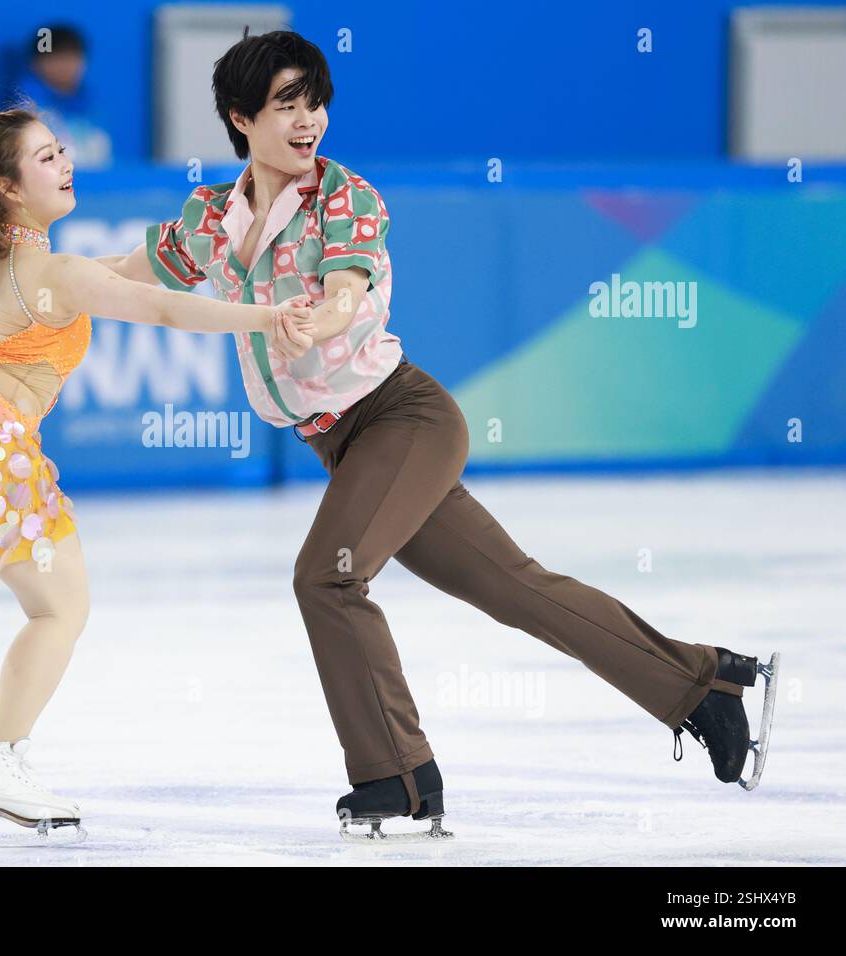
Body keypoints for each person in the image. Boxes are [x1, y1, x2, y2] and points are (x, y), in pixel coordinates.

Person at [101, 30, 779, 839]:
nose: (309, 118)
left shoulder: (343, 197)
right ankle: (704, 687)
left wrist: (316, 320)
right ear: (241, 117)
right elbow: (127, 275)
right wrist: (35, 281)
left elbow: (347, 290)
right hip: (343, 443)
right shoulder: (211, 216)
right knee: (518, 590)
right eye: (288, 103)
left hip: (402, 418)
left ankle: (397, 777)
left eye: (315, 101)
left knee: (328, 578)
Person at [0, 107, 313, 840]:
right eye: (47, 158)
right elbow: (161, 309)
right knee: (59, 610)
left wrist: (198, 237)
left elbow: (117, 274)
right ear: (11, 189)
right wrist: (267, 317)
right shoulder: (56, 272)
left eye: (62, 151)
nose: (66, 163)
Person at [10, 24, 111, 169]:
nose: (65, 65)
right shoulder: (24, 109)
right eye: (56, 57)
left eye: (72, 57)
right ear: (35, 63)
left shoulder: (92, 105)